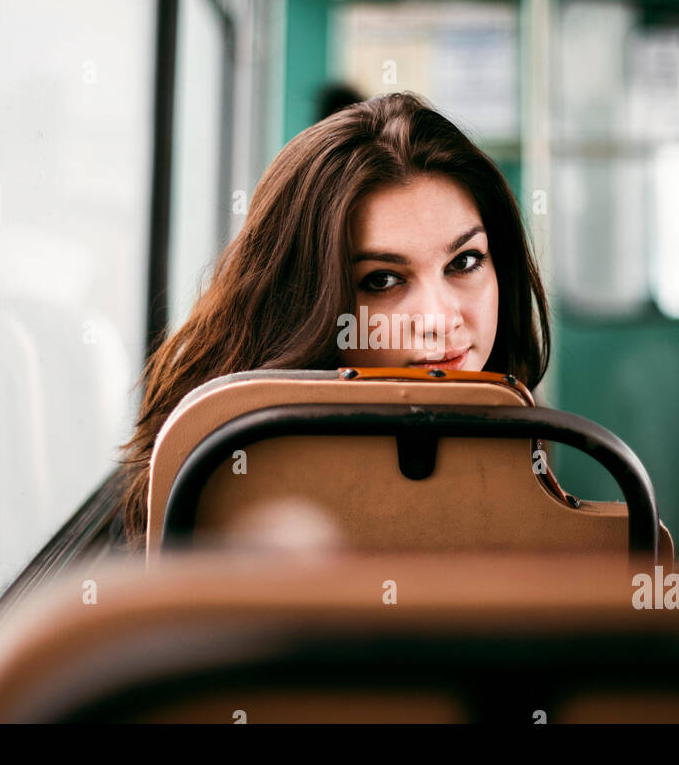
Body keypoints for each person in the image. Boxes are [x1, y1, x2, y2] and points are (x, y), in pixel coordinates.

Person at [116, 91, 551, 547]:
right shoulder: (239, 480)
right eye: (382, 280)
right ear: (305, 303)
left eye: (464, 262)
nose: (439, 320)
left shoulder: (524, 421)